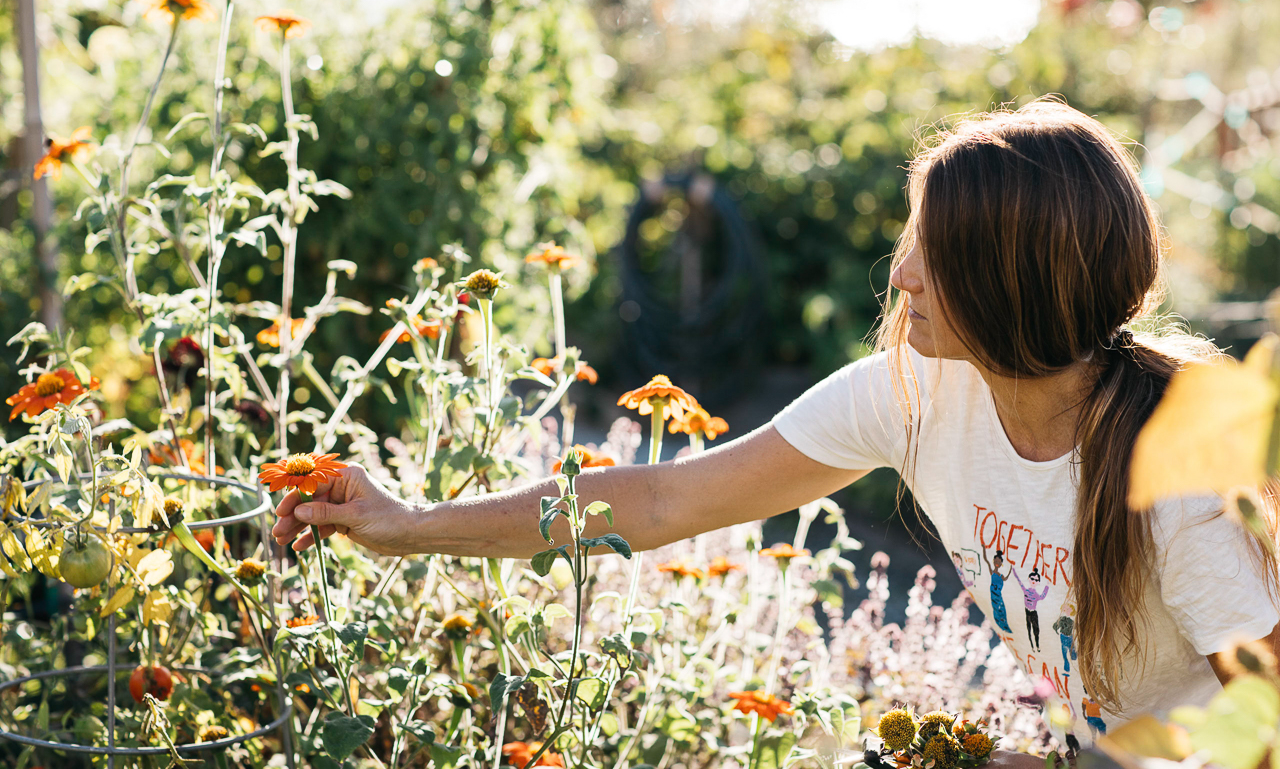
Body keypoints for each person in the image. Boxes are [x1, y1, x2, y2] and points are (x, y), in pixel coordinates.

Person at [272, 99, 1280, 765]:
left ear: (1011, 282)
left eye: (933, 254)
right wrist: (405, 524)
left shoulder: (1179, 472)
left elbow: (1265, 722)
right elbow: (662, 497)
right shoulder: (915, 394)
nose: (899, 274)